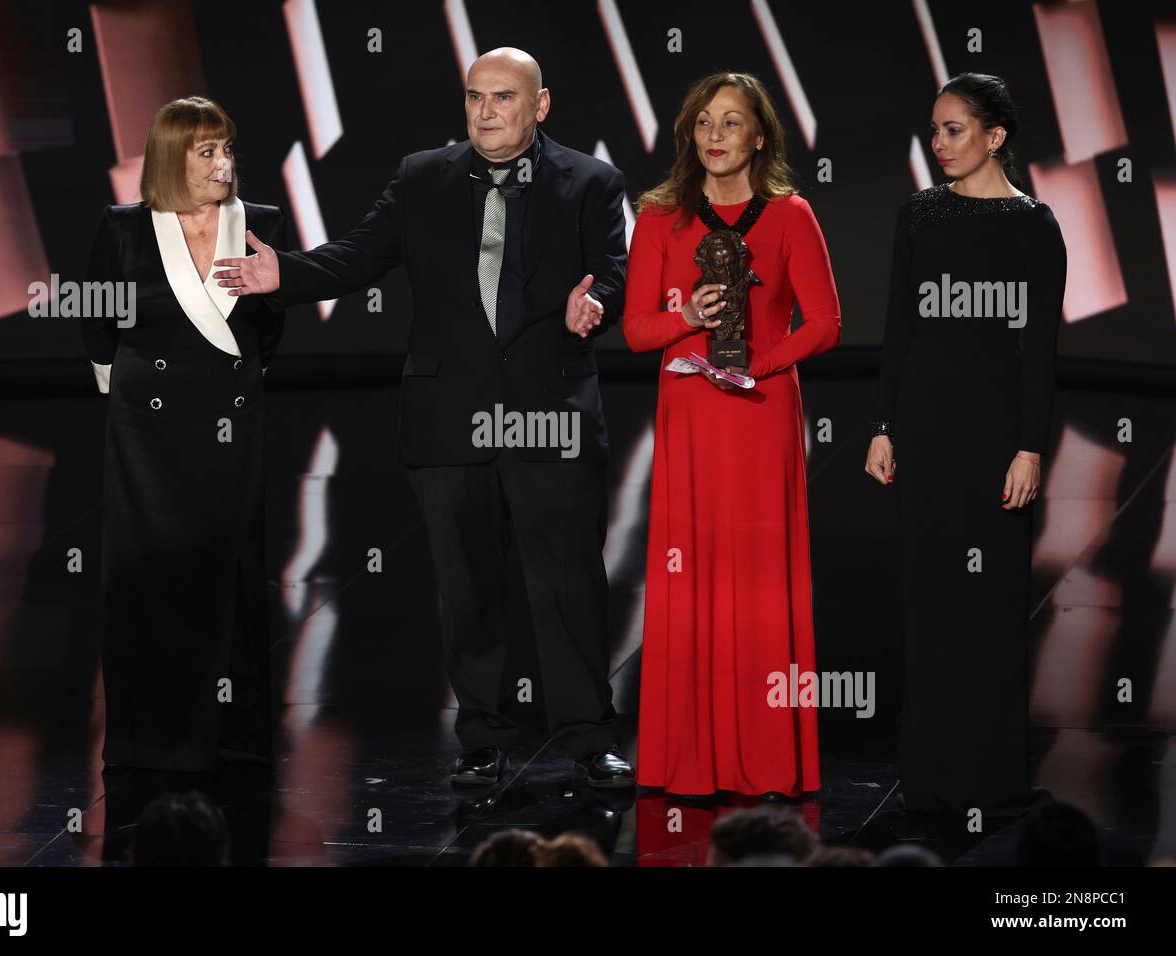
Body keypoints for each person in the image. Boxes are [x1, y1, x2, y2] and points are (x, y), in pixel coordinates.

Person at [213, 48, 633, 788]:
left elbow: (616, 268)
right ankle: (483, 739)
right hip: (450, 416)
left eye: (503, 98)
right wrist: (287, 274)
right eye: (475, 97)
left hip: (551, 414)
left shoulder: (590, 182)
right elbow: (358, 257)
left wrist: (597, 300)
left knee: (567, 582)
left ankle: (585, 736)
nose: (485, 112)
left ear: (540, 106)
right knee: (466, 586)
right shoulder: (422, 177)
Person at [623, 72, 839, 797]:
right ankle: (690, 759)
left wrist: (758, 366)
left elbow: (826, 322)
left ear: (759, 136)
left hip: (760, 413)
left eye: (731, 122)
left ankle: (768, 761)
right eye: (703, 122)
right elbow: (636, 330)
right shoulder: (659, 217)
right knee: (691, 575)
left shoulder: (791, 215)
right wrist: (690, 318)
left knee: (758, 579)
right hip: (689, 415)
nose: (715, 135)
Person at [865, 73, 1067, 816]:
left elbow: (1038, 346)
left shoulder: (1032, 225)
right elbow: (900, 325)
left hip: (993, 439)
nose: (940, 142)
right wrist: (883, 425)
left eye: (954, 129)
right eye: (935, 129)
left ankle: (993, 777)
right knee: (929, 605)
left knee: (989, 603)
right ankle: (931, 774)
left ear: (995, 136)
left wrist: (1029, 447)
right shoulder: (919, 215)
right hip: (923, 431)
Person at [81, 96, 287, 772]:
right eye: (207, 152)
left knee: (233, 570)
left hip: (235, 424)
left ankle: (235, 734)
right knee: (149, 572)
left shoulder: (260, 224)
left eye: (228, 149)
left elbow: (268, 331)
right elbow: (96, 323)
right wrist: (133, 398)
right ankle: (150, 735)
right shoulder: (124, 230)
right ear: (174, 157)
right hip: (147, 434)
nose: (224, 163)